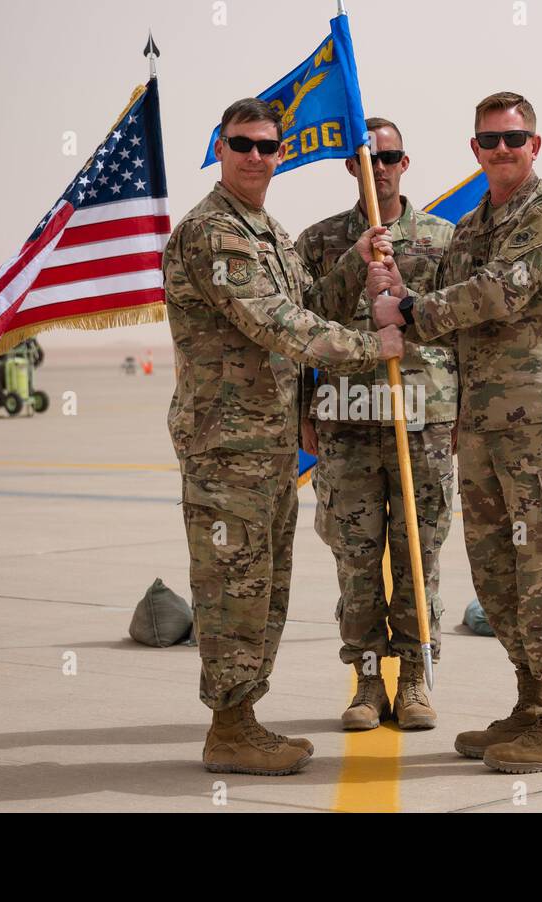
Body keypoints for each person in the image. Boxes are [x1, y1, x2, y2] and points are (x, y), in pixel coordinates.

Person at [164, 98, 403, 776]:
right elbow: (275, 323)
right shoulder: (214, 232)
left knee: (265, 586)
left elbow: (307, 303)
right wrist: (370, 345)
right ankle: (229, 727)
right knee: (232, 588)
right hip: (226, 446)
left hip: (267, 444)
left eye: (269, 146)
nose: (256, 157)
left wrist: (357, 262)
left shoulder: (265, 230)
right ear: (221, 146)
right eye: (242, 144)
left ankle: (244, 720)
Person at [367, 92, 542, 774]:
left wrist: (407, 309)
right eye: (490, 140)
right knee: (500, 577)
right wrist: (383, 266)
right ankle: (531, 705)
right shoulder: (469, 229)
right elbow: (439, 297)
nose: (503, 149)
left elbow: (498, 292)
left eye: (515, 138)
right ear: (474, 150)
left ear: (536, 145)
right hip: (484, 429)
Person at [294, 118, 457, 731]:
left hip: (423, 420)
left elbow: (464, 332)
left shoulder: (444, 239)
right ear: (351, 166)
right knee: (355, 556)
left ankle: (415, 678)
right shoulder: (319, 242)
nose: (379, 167)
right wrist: (302, 412)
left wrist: (461, 410)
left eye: (389, 156)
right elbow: (297, 327)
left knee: (419, 554)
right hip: (346, 421)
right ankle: (366, 681)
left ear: (405, 163)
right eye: (369, 158)